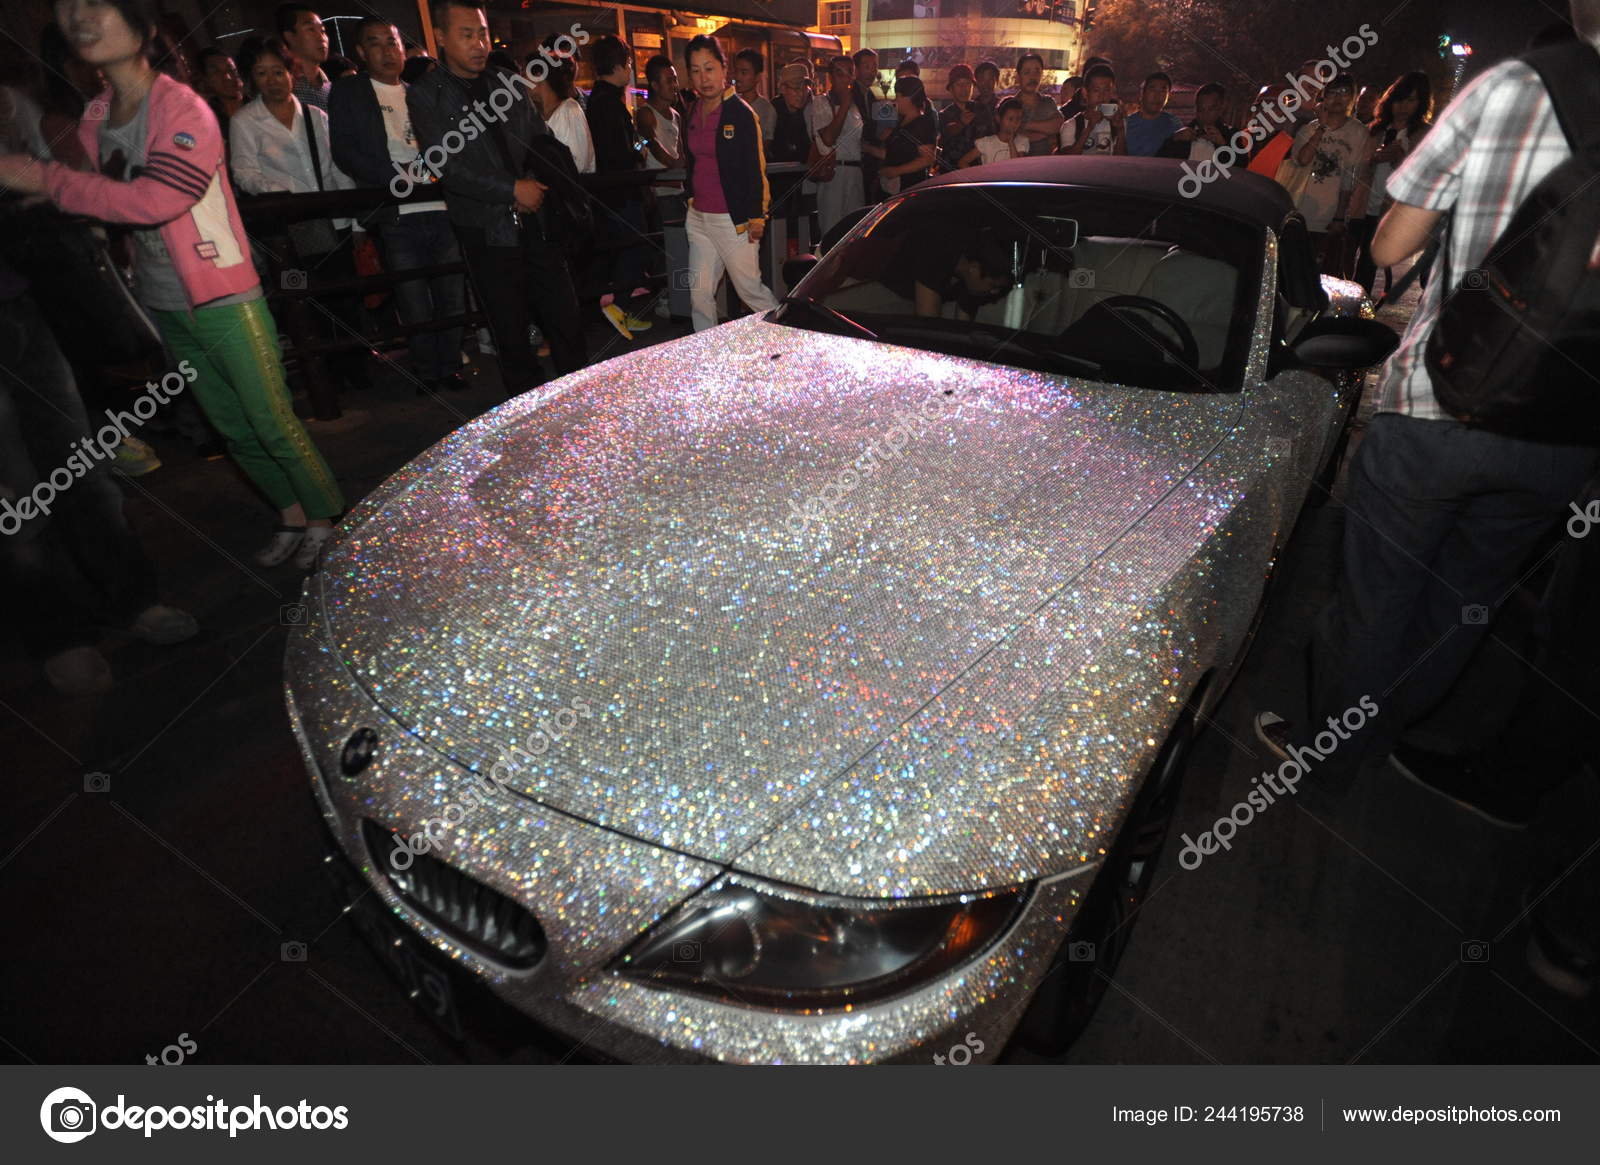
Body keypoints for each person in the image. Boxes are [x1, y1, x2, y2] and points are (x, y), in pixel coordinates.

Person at [1253, 3, 1600, 795]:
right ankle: (1382, 733)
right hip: (1565, 429)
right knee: (1462, 605)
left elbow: (1388, 245)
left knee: (1377, 597)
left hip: (1445, 401)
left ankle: (1330, 756)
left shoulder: (1512, 88)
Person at [0, 0, 345, 571]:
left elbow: (158, 197)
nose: (78, 18)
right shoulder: (97, 115)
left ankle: (326, 519)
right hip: (163, 298)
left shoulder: (183, 107)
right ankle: (289, 515)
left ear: (141, 28)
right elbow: (97, 197)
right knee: (231, 425)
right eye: (68, 11)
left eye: (96, 7)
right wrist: (53, 194)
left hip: (224, 293)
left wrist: (47, 180)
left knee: (270, 418)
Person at [0, 257, 198, 695]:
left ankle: (134, 600)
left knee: (81, 466)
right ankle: (58, 635)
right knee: (14, 498)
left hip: (20, 296)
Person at [408, 1, 586, 392]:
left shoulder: (506, 81)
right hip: (485, 231)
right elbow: (447, 165)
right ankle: (526, 421)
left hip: (537, 221)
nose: (478, 43)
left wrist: (533, 184)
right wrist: (511, 190)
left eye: (483, 33)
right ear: (440, 38)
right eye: (466, 34)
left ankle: (580, 402)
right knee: (511, 334)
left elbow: (540, 138)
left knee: (566, 320)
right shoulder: (426, 94)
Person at [330, 17, 467, 394]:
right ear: (361, 52)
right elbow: (345, 151)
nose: (388, 51)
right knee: (413, 300)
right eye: (375, 43)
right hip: (395, 211)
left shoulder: (420, 92)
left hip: (440, 205)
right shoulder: (350, 93)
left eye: (393, 42)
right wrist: (395, 177)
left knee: (452, 296)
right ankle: (426, 371)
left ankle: (450, 366)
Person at [231, 38, 371, 395]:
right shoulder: (246, 121)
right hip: (287, 227)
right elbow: (243, 171)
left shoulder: (316, 116)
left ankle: (357, 368)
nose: (272, 80)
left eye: (277, 71)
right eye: (261, 73)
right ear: (251, 79)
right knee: (307, 303)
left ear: (290, 73)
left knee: (344, 296)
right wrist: (281, 193)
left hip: (329, 221)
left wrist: (354, 220)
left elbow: (338, 169)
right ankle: (327, 376)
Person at [680, 34, 777, 333]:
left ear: (724, 69)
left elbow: (755, 169)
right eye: (695, 70)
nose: (703, 77)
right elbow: (692, 161)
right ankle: (706, 358)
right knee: (699, 296)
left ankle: (793, 339)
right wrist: (690, 196)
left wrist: (757, 216)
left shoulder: (741, 113)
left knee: (750, 291)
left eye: (709, 68)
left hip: (733, 220)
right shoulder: (693, 111)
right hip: (699, 218)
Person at [585, 34, 654, 340]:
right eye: (628, 64)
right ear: (618, 65)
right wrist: (638, 148)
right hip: (621, 191)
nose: (630, 71)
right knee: (630, 248)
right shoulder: (609, 105)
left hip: (611, 192)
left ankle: (621, 311)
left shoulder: (600, 101)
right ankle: (618, 308)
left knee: (622, 251)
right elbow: (622, 150)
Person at [1350, 71, 1432, 296]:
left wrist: (1399, 160)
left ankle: (1356, 314)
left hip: (1389, 211)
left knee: (1366, 265)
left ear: (1421, 103)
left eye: (1411, 100)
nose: (1403, 106)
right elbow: (1353, 167)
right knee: (1344, 262)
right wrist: (1373, 159)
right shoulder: (1373, 129)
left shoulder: (1425, 135)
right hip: (1359, 205)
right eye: (1399, 98)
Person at [1286, 73, 1371, 276]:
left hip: (1330, 218)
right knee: (1293, 273)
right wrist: (1321, 128)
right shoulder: (1308, 129)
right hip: (1300, 211)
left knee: (1324, 275)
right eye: (1332, 93)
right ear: (1324, 97)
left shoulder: (1358, 132)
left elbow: (1350, 176)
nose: (1338, 98)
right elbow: (1302, 160)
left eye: (1344, 93)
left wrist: (1340, 217)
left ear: (1353, 98)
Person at [638, 54, 684, 321]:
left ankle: (676, 296)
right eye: (669, 80)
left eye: (675, 79)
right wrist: (675, 165)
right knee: (664, 248)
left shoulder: (676, 114)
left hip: (677, 188)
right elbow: (654, 145)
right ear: (654, 85)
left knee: (678, 247)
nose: (675, 85)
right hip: (660, 191)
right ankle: (663, 298)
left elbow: (678, 151)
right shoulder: (646, 113)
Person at [881, 221, 1010, 317]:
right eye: (992, 285)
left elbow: (963, 324)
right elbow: (927, 320)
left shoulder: (971, 276)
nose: (994, 293)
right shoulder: (939, 251)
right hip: (880, 285)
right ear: (974, 269)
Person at [808, 54, 865, 238]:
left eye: (850, 73)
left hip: (855, 174)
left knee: (854, 235)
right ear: (831, 77)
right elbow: (828, 138)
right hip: (833, 172)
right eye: (840, 73)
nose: (846, 78)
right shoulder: (821, 102)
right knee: (832, 234)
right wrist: (844, 105)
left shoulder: (858, 105)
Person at [864, 74, 936, 196]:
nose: (895, 100)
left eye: (898, 96)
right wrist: (867, 148)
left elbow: (927, 158)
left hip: (908, 188)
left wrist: (896, 171)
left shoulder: (922, 123)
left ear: (908, 98)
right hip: (891, 188)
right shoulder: (901, 123)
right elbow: (893, 154)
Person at [530, 39, 593, 173]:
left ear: (538, 76)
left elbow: (578, 165)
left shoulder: (569, 110)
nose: (521, 79)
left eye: (525, 74)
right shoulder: (539, 115)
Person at [1160, 81, 1236, 163]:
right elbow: (1161, 164)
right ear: (1195, 108)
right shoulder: (1182, 135)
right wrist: (1173, 140)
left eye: (1211, 109)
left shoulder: (1231, 135)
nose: (1205, 114)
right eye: (1200, 109)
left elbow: (1241, 168)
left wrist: (1222, 145)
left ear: (1221, 108)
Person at [1059, 63, 1124, 155]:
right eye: (1096, 90)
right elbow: (1068, 160)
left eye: (1106, 90)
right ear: (1085, 93)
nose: (1102, 96)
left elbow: (1122, 161)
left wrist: (1120, 130)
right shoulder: (1071, 125)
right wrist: (1089, 128)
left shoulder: (1117, 123)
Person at [276, 4, 331, 111]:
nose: (321, 38)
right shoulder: (282, 89)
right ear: (290, 36)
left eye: (323, 31)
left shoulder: (331, 87)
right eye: (311, 29)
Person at [1123, 71, 1183, 156]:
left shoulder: (1174, 124)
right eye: (1152, 89)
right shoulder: (1126, 124)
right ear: (1142, 93)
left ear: (1169, 96)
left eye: (1162, 91)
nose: (1157, 96)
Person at [937, 63, 983, 173]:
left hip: (979, 171)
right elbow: (945, 135)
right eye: (959, 84)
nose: (964, 89)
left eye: (967, 84)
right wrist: (961, 123)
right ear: (951, 89)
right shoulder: (944, 115)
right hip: (951, 172)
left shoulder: (982, 110)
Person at [1014, 52, 1062, 153]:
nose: (1033, 77)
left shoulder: (1048, 102)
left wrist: (1025, 125)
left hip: (1045, 164)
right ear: (1018, 77)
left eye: (1037, 71)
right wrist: (1045, 133)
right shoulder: (1010, 105)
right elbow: (1010, 134)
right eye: (1027, 72)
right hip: (1018, 164)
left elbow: (1058, 125)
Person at [960, 96, 1028, 166]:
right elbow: (963, 162)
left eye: (1018, 119)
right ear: (998, 118)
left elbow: (1017, 166)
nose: (1014, 123)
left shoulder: (1021, 141)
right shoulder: (986, 143)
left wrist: (1011, 142)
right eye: (1010, 119)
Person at [194, 46, 244, 139]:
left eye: (231, 69)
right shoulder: (207, 120)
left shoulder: (262, 106)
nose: (228, 77)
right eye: (216, 72)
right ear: (206, 80)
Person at [733, 48, 777, 145]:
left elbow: (764, 148)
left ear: (758, 77)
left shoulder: (766, 110)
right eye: (736, 71)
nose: (737, 77)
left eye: (744, 72)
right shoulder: (731, 104)